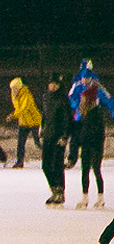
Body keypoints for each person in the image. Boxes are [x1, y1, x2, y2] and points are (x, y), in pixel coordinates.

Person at [73, 82, 107, 209]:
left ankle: (100, 197)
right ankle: (84, 198)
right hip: (86, 146)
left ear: (88, 100)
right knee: (84, 171)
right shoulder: (84, 116)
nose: (81, 102)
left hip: (95, 147)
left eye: (83, 99)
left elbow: (98, 133)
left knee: (97, 171)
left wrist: (91, 142)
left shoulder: (96, 115)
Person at [41, 72, 72, 206]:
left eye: (55, 84)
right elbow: (45, 115)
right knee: (45, 165)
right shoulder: (46, 97)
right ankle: (53, 189)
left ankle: (60, 192)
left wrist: (65, 136)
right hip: (48, 134)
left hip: (58, 136)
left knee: (57, 165)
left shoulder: (62, 99)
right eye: (51, 84)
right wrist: (41, 129)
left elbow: (66, 118)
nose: (52, 86)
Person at [5, 76, 41, 169]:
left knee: (38, 142)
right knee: (20, 143)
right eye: (12, 88)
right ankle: (19, 161)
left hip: (34, 121)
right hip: (23, 122)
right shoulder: (14, 95)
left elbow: (23, 109)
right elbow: (18, 108)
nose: (13, 90)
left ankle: (50, 157)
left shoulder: (26, 95)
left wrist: (13, 115)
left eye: (15, 88)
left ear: (20, 88)